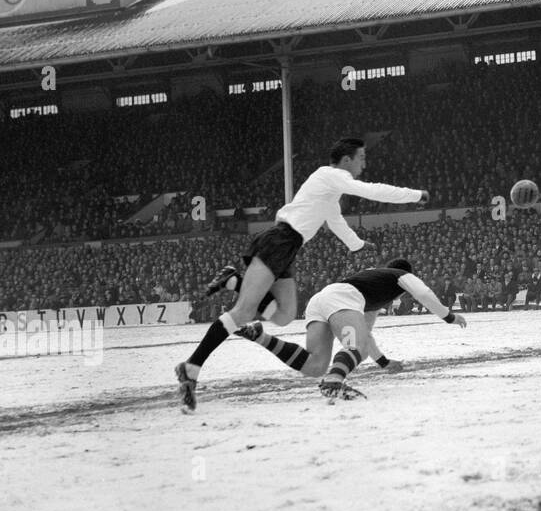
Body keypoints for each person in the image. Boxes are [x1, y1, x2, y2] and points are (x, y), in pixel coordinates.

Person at [175, 137, 427, 413]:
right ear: (347, 160)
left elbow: (335, 220)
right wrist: (415, 195)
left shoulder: (328, 190)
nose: (364, 164)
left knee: (283, 316)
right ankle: (192, 367)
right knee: (243, 312)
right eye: (362, 158)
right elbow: (370, 191)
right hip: (279, 240)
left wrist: (357, 244)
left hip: (288, 246)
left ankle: (233, 281)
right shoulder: (330, 175)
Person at [237, 258, 465, 401]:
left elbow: (366, 332)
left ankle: (261, 336)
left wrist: (383, 362)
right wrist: (449, 316)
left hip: (321, 300)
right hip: (343, 298)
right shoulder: (399, 275)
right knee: (356, 347)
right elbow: (423, 294)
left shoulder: (374, 287)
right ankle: (334, 380)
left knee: (315, 365)